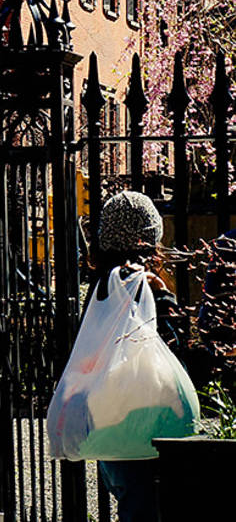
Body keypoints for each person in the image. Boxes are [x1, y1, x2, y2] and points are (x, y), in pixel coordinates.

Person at [86, 190, 194, 522]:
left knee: (131, 504)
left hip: (108, 422)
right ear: (145, 239)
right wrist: (165, 300)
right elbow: (169, 348)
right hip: (145, 426)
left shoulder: (101, 287)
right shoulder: (140, 284)